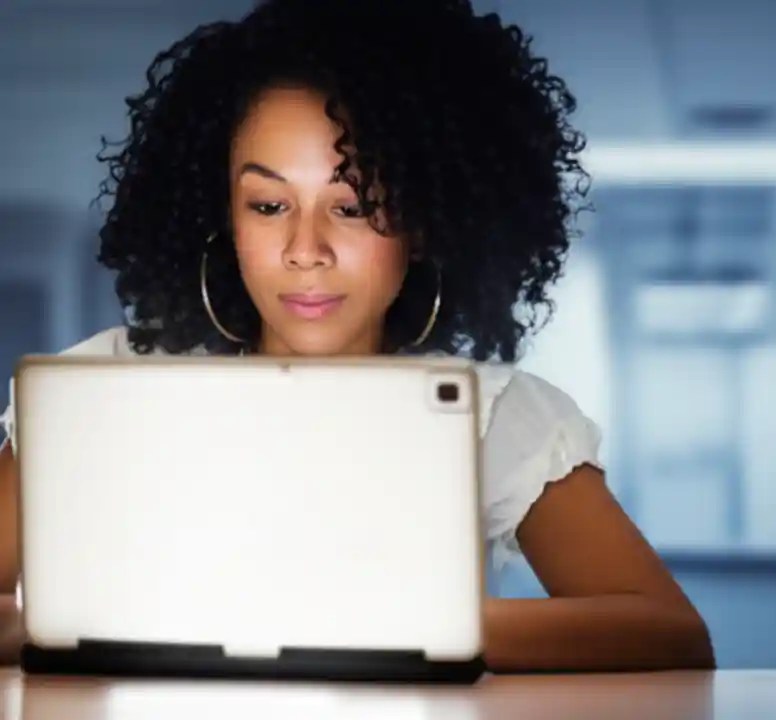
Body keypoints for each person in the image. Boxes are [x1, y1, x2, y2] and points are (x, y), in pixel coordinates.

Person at [0, 0, 714, 672]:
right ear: (225, 218)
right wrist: (44, 628)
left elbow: (669, 631)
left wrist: (417, 626)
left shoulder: (486, 411)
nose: (305, 250)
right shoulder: (103, 386)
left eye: (352, 206)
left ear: (423, 223)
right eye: (269, 205)